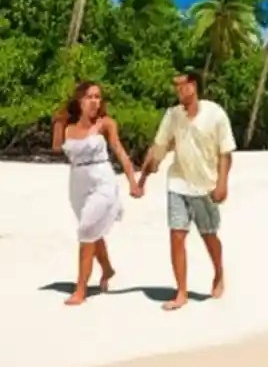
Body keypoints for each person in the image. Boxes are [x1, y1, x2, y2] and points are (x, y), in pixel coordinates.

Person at [138, 69, 235, 311]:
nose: (178, 90)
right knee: (177, 235)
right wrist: (144, 175)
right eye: (176, 86)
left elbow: (226, 153)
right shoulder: (173, 115)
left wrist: (222, 184)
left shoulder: (215, 114)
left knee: (209, 235)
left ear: (194, 86)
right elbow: (159, 146)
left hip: (205, 185)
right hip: (178, 183)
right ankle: (181, 292)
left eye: (182, 85)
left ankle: (219, 272)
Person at [51, 81, 142, 306]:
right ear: (80, 100)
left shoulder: (106, 124)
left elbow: (120, 152)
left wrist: (133, 181)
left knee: (85, 231)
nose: (95, 101)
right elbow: (56, 148)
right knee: (92, 230)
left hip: (103, 181)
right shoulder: (68, 126)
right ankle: (108, 269)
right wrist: (58, 123)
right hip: (77, 184)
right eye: (90, 97)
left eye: (98, 97)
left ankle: (80, 290)